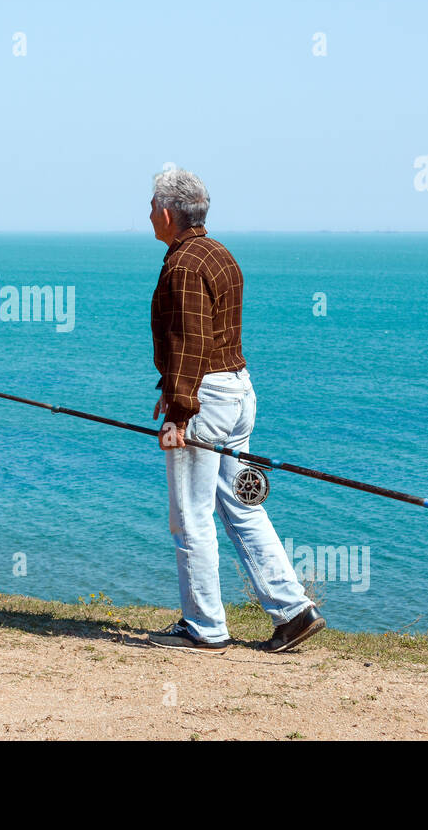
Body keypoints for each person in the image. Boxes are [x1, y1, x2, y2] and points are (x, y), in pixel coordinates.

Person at [145, 169, 325, 654]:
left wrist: (179, 413)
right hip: (238, 391)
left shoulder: (182, 265)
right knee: (243, 507)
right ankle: (293, 611)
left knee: (191, 516)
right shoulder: (220, 254)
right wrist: (173, 387)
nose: (147, 214)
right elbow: (209, 337)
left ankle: (205, 627)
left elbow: (191, 341)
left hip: (205, 399)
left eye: (151, 206)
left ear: (167, 212)